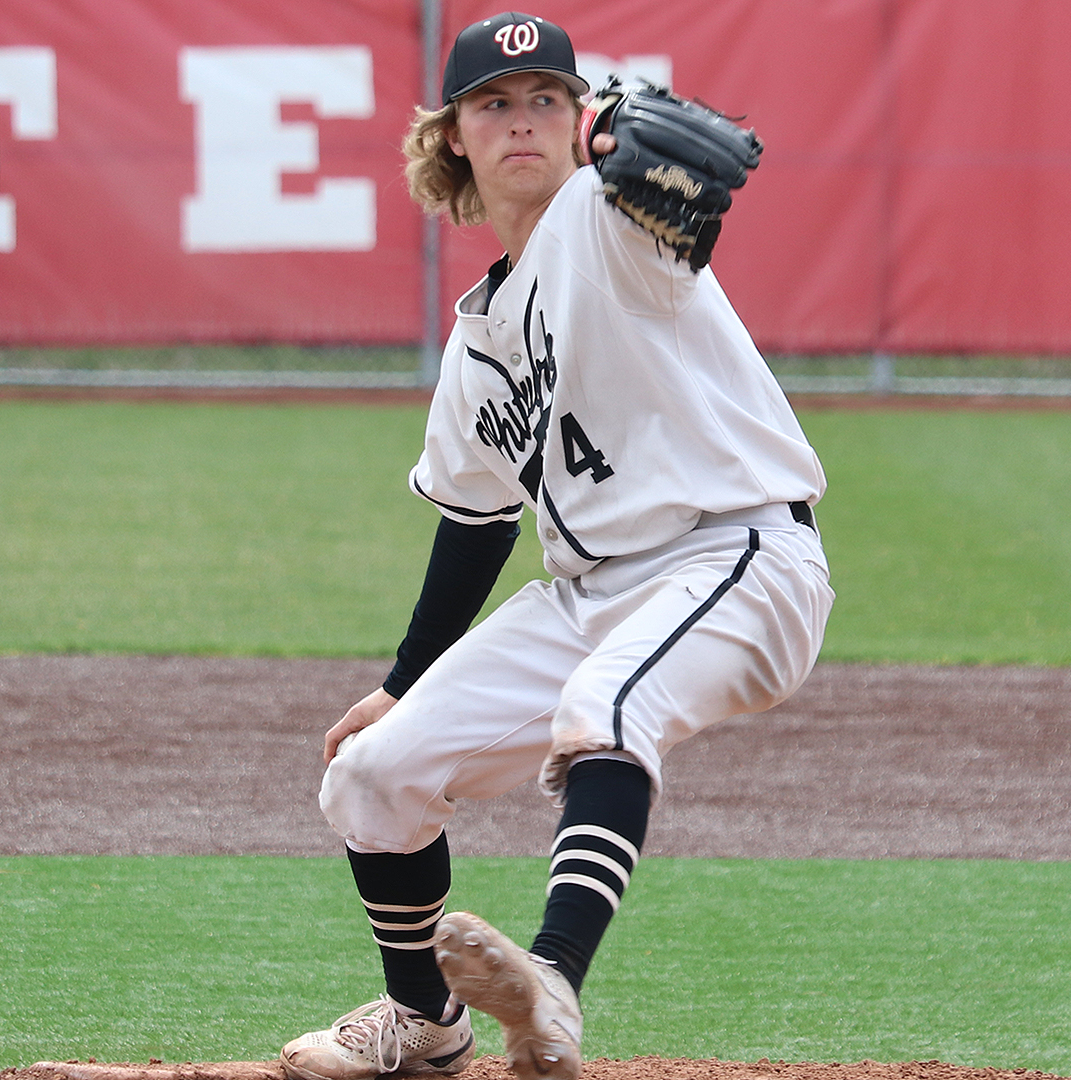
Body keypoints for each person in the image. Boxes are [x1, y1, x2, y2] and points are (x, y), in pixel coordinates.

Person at [279, 12, 833, 1080]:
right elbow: (474, 518)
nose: (524, 121)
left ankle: (554, 986)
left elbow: (679, 198)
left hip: (737, 558)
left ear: (579, 119)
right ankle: (429, 1029)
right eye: (496, 104)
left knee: (605, 709)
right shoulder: (478, 338)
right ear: (453, 137)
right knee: (372, 777)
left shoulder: (602, 215)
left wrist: (639, 143)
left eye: (548, 99)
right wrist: (404, 682)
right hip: (588, 593)